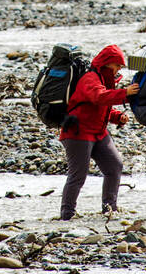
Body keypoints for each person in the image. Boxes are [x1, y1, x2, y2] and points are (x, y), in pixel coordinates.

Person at [59, 45, 139, 220]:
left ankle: (109, 209)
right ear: (107, 63)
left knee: (114, 166)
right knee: (78, 175)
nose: (119, 70)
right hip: (78, 133)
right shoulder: (90, 78)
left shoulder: (103, 80)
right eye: (117, 65)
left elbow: (99, 108)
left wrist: (117, 117)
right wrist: (124, 93)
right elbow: (99, 97)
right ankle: (67, 215)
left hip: (98, 132)